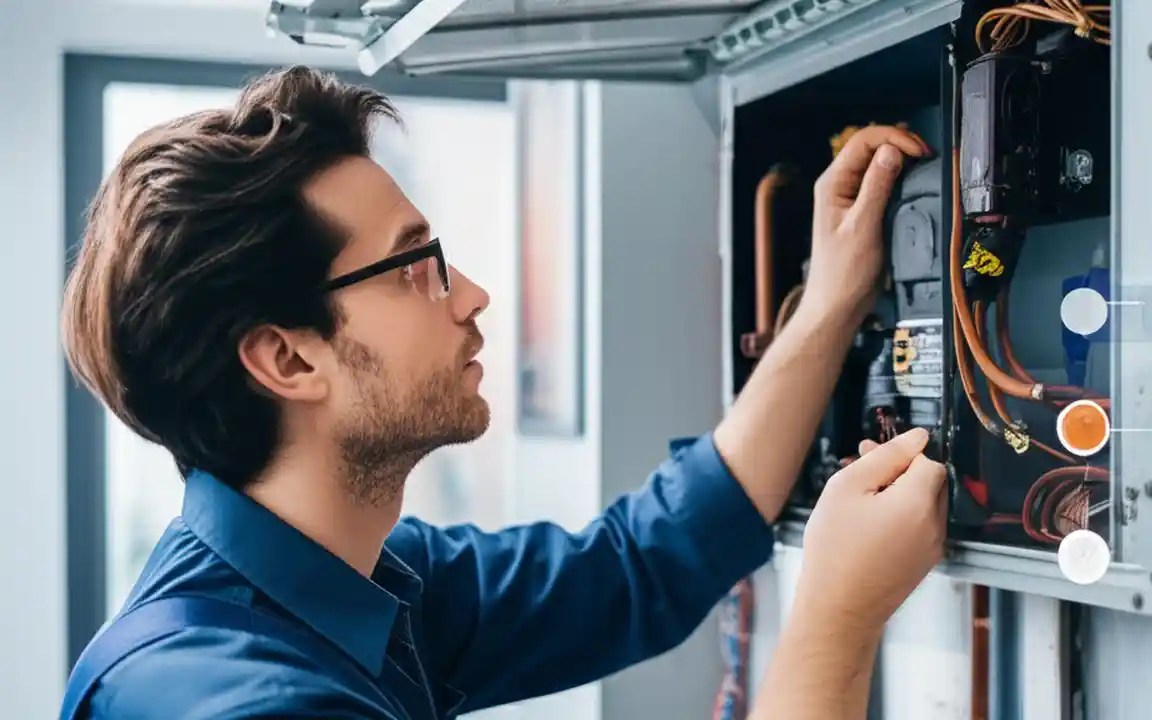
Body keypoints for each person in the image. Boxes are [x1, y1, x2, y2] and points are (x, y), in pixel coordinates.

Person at [58, 66, 945, 719]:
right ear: (288, 362)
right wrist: (838, 614)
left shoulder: (372, 581)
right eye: (417, 267)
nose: (472, 295)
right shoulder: (231, 702)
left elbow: (641, 565)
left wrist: (828, 304)